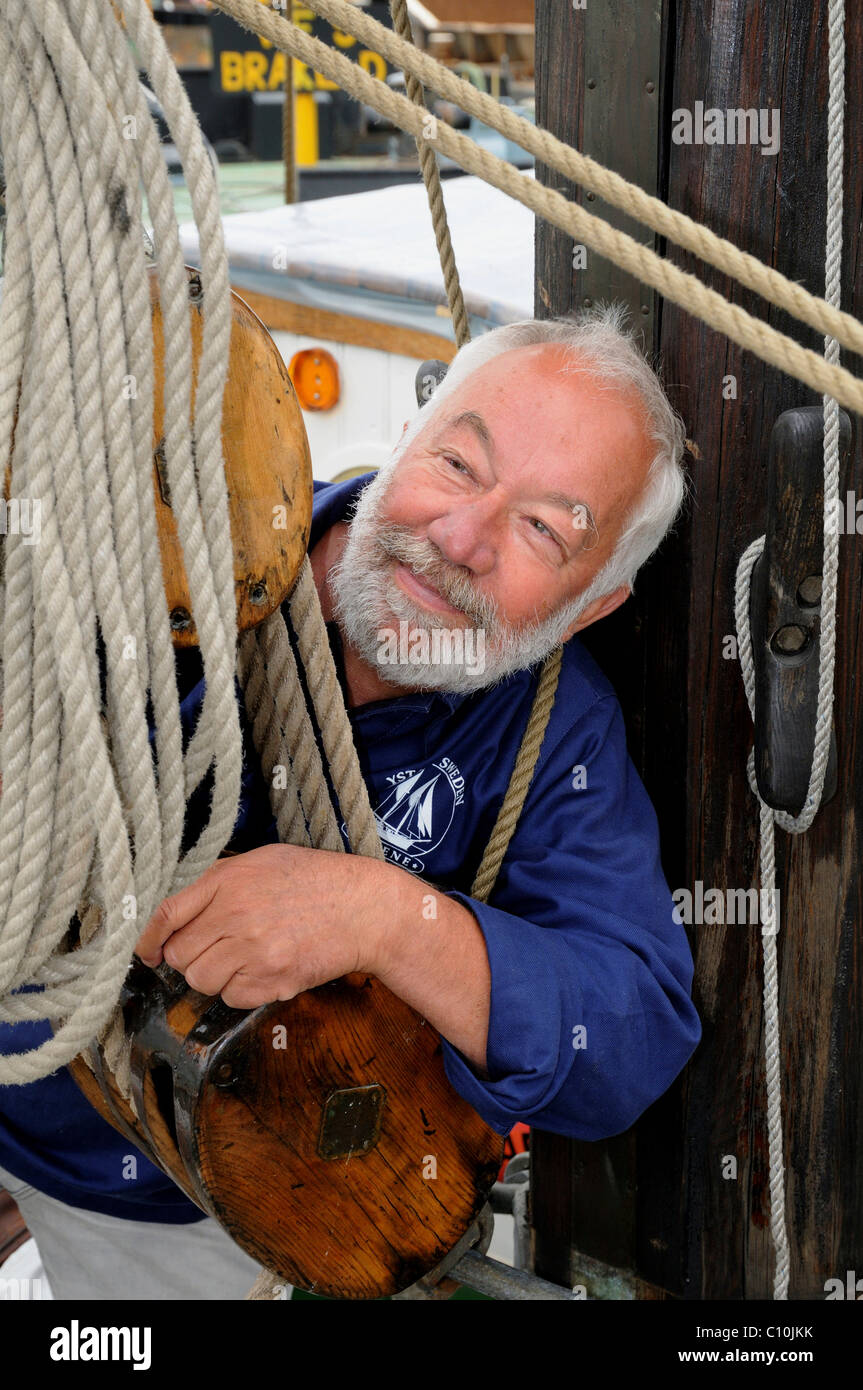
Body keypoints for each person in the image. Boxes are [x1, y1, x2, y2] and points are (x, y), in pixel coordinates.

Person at [0, 306, 701, 1299]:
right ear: (404, 438)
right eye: (457, 465)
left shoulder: (552, 731)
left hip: (174, 1202)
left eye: (542, 527)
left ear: (589, 605)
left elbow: (627, 1032)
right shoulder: (167, 562)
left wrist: (383, 918)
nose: (461, 537)